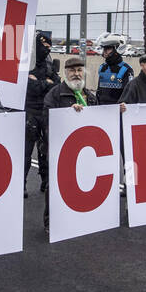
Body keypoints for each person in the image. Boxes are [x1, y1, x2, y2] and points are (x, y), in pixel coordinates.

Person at [41, 56, 97, 231]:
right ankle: (51, 221)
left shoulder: (90, 96)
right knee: (56, 186)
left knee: (83, 184)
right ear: (66, 73)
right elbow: (46, 119)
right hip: (60, 149)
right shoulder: (55, 94)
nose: (76, 74)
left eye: (79, 70)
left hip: (84, 150)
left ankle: (79, 216)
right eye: (72, 71)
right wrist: (68, 113)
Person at [23, 31, 57, 196]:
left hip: (45, 111)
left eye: (49, 46)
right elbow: (29, 87)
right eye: (45, 46)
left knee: (46, 150)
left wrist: (41, 83)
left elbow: (57, 85)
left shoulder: (49, 65)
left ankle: (46, 182)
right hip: (29, 112)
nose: (47, 49)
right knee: (26, 152)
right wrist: (46, 83)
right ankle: (21, 185)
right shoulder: (27, 64)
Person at [95, 34, 134, 105]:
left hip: (117, 110)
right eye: (104, 48)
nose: (105, 51)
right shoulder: (102, 67)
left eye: (108, 48)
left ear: (118, 48)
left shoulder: (126, 69)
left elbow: (129, 94)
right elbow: (99, 91)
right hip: (101, 109)